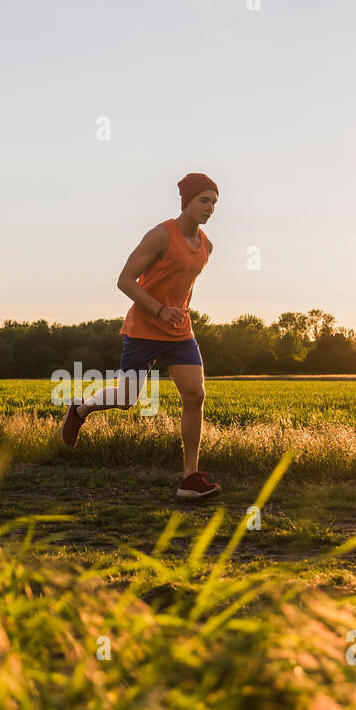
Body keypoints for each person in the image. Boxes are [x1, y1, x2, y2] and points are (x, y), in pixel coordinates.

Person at [60, 172, 222, 500]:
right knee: (126, 399)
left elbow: (180, 285)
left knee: (195, 395)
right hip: (145, 330)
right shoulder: (161, 235)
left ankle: (189, 478)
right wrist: (160, 310)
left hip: (179, 333)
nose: (210, 208)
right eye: (204, 200)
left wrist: (175, 313)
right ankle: (80, 409)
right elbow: (125, 280)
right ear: (187, 202)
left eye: (214, 203)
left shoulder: (206, 246)